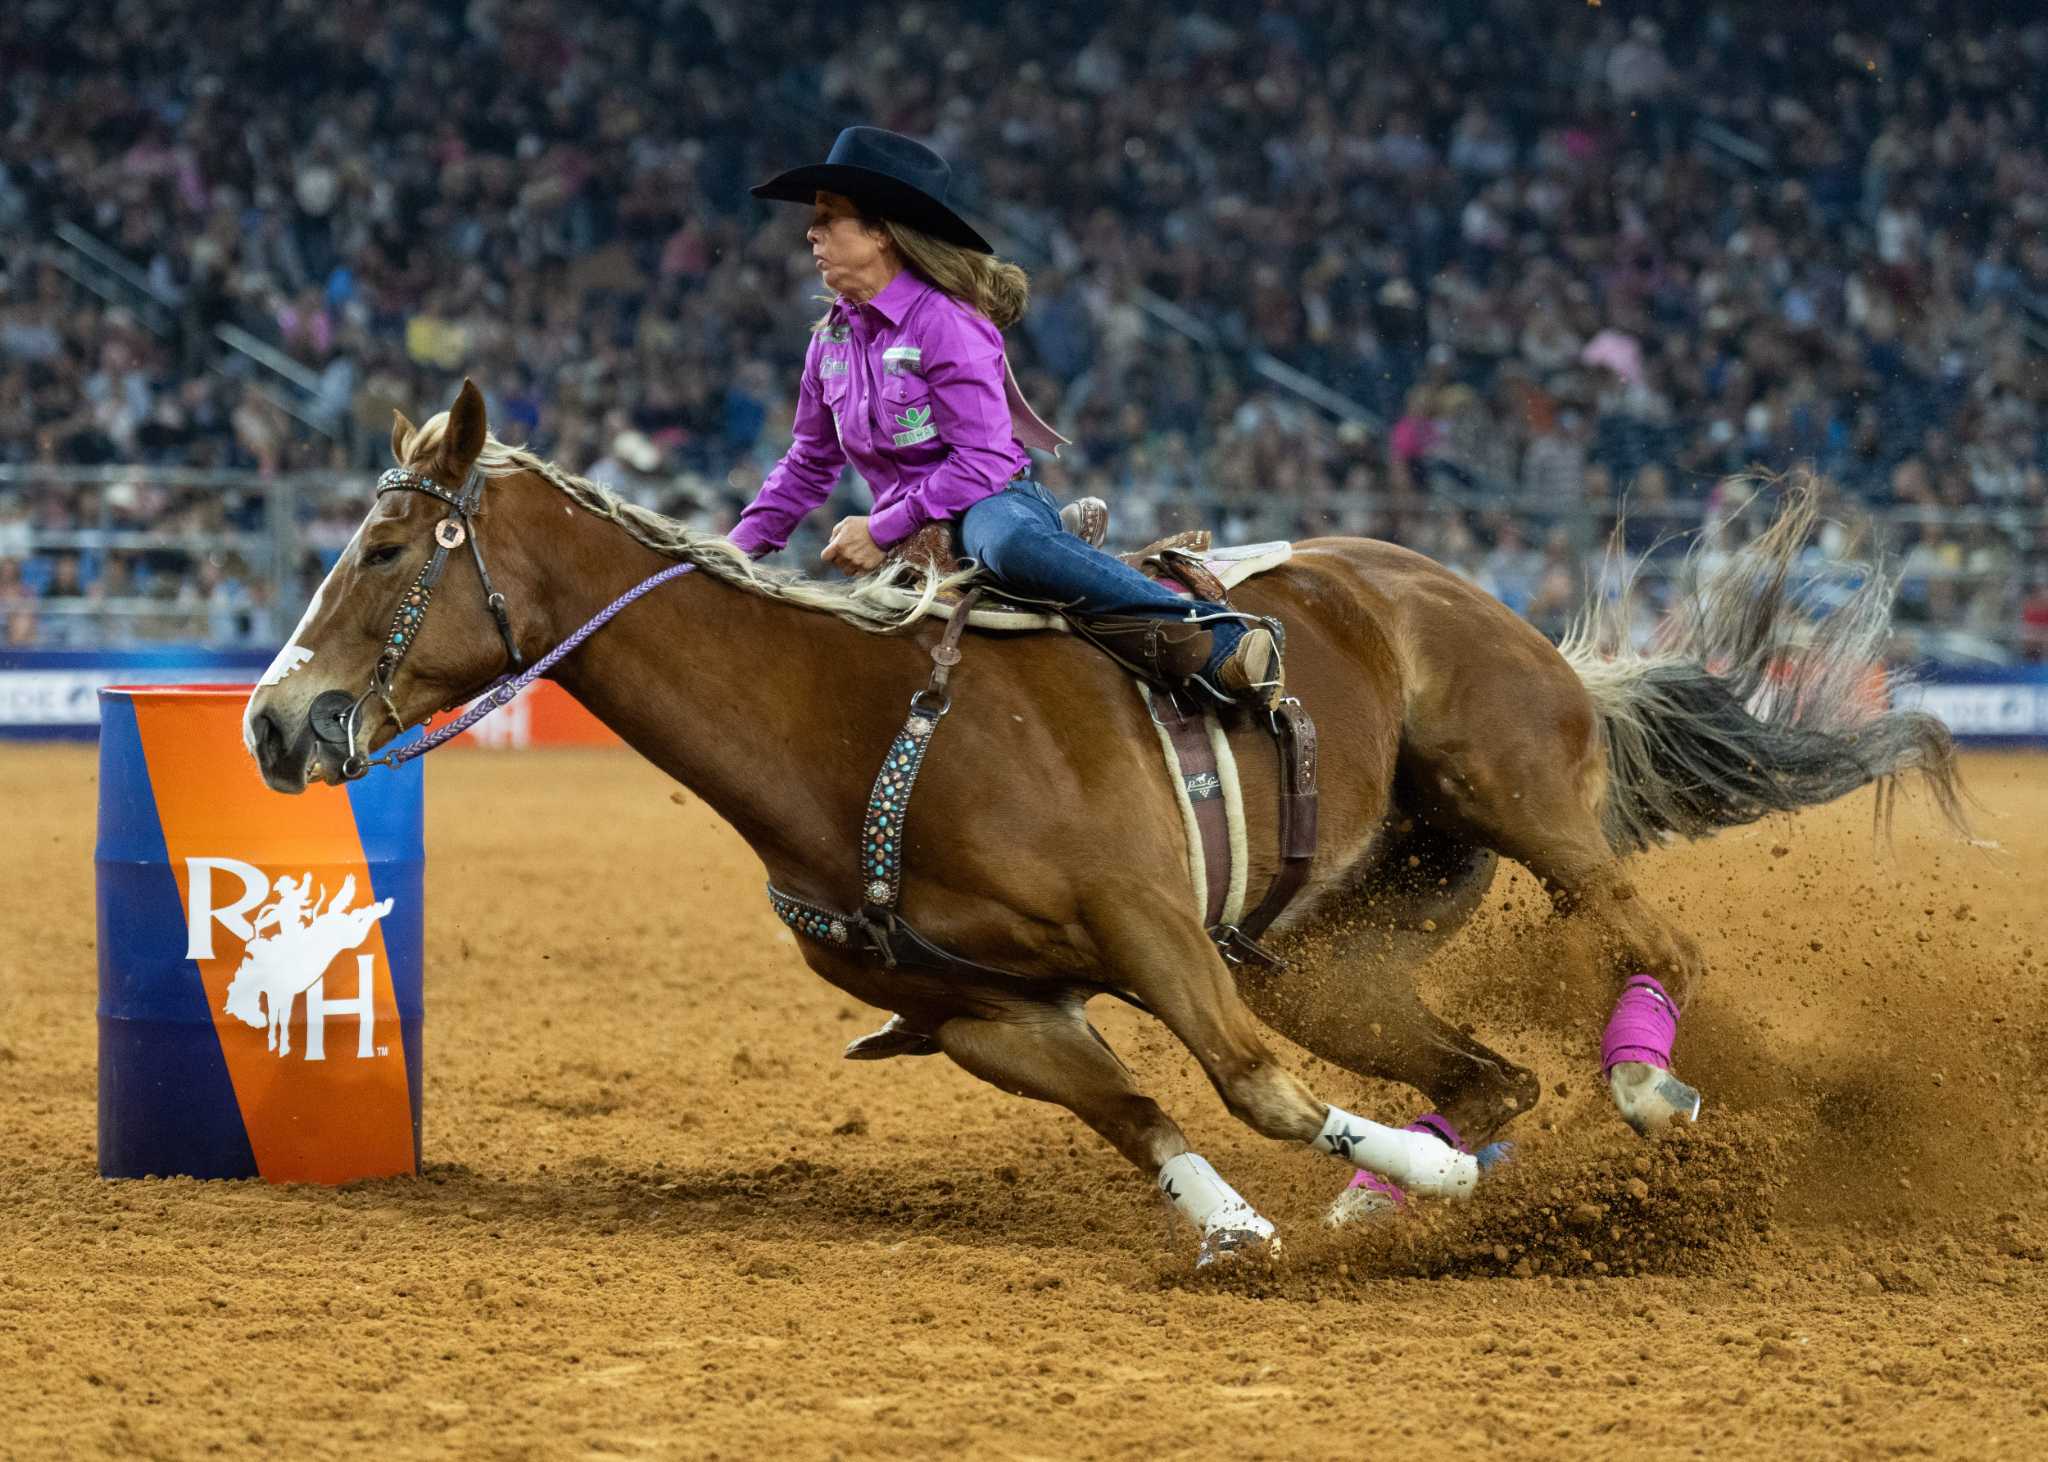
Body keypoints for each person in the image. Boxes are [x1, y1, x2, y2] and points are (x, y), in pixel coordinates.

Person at [728, 127, 1281, 709]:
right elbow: (808, 463)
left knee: (1011, 543)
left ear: (881, 230)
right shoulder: (831, 340)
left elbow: (984, 460)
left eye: (828, 216)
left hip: (988, 503)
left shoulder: (945, 320)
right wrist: (730, 556)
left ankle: (1216, 633)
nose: (810, 232)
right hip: (902, 526)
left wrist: (882, 528)